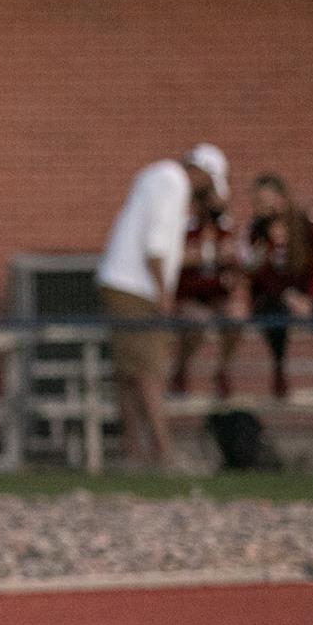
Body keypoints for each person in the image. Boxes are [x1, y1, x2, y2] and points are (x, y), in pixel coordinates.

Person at [96, 145, 229, 466]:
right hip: (136, 289)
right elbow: (155, 247)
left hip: (121, 282)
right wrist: (163, 295)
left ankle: (135, 453)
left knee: (129, 374)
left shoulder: (156, 176)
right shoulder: (173, 183)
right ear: (202, 174)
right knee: (149, 372)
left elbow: (163, 249)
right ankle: (164, 454)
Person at [245, 174, 313, 397]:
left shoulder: (308, 224)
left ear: (280, 199)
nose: (260, 208)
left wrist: (308, 299)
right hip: (272, 298)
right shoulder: (256, 230)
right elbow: (255, 273)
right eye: (257, 203)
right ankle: (279, 368)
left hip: (305, 295)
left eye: (264, 201)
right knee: (276, 317)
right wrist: (268, 248)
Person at [169, 201, 247, 399]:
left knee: (237, 316)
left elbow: (236, 265)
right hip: (191, 297)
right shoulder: (184, 228)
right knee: (198, 321)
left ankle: (223, 371)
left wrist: (233, 270)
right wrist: (208, 254)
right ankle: (181, 370)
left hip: (218, 297)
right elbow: (176, 259)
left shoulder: (227, 230)